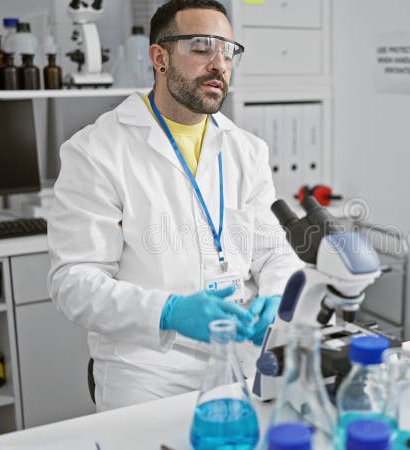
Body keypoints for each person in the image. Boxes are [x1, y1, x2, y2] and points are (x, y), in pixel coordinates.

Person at [47, 0, 302, 411]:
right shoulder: (96, 150)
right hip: (148, 369)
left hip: (242, 357)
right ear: (160, 58)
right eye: (202, 48)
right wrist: (169, 311)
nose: (219, 64)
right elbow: (73, 281)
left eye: (228, 52)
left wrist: (277, 298)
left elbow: (274, 251)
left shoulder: (246, 150)